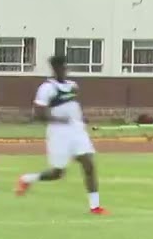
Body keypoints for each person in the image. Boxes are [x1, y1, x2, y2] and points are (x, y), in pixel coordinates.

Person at [15, 55, 107, 215]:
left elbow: (73, 106)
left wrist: (80, 117)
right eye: (60, 68)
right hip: (58, 133)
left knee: (88, 163)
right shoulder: (46, 88)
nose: (63, 70)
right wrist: (60, 119)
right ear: (54, 69)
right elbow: (39, 114)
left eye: (65, 67)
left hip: (77, 131)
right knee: (58, 173)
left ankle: (95, 206)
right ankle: (27, 179)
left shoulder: (73, 86)